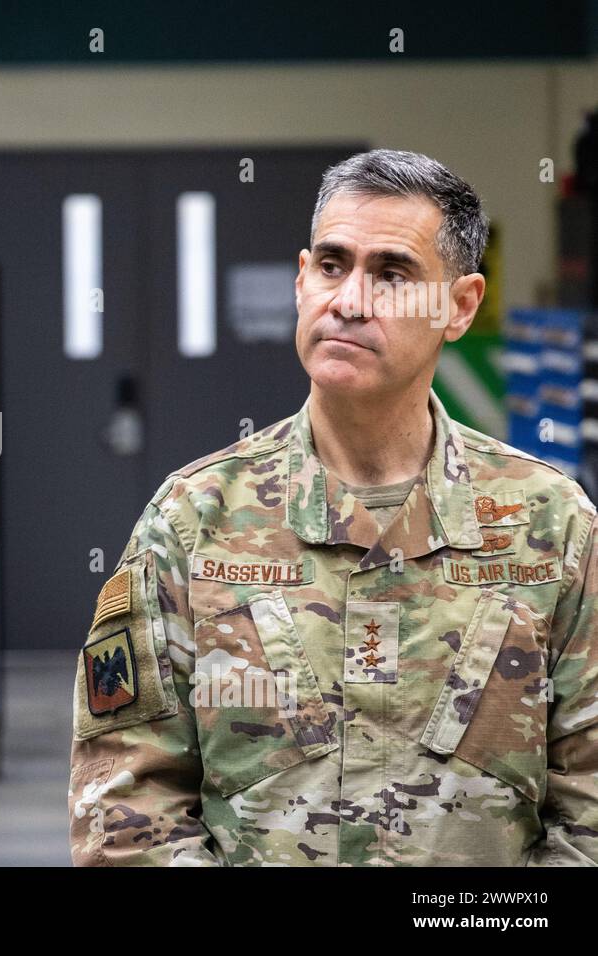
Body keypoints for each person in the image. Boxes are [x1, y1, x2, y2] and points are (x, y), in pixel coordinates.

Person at [68, 148, 598, 866]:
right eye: (330, 264)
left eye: (392, 274)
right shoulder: (194, 521)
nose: (348, 299)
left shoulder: (551, 526)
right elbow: (125, 804)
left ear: (460, 306)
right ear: (300, 280)